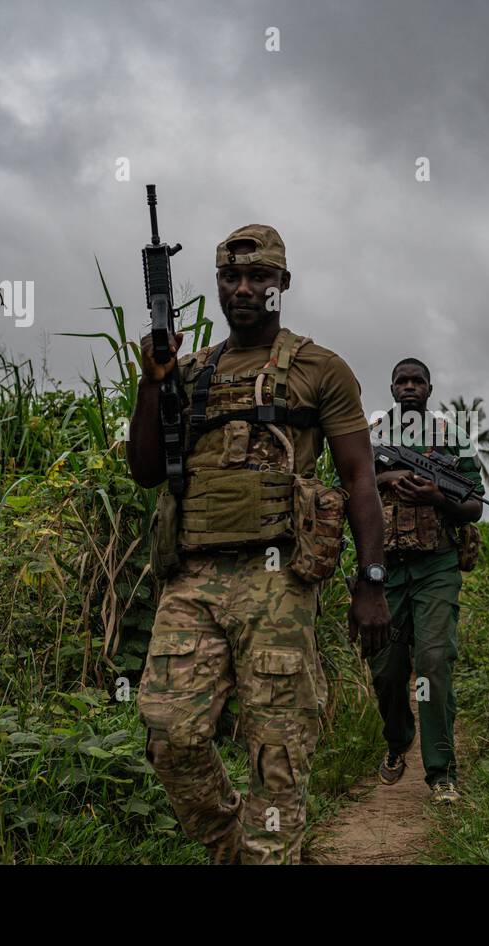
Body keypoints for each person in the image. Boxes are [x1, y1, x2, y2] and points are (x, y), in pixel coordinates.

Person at [127, 223, 390, 864]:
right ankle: (232, 845)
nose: (244, 289)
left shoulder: (319, 368)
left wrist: (372, 583)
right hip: (191, 579)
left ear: (282, 284)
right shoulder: (188, 371)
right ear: (217, 284)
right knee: (169, 733)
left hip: (278, 580)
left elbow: (360, 480)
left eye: (259, 278)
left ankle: (270, 852)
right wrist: (153, 382)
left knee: (278, 748)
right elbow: (143, 469)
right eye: (231, 278)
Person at [369, 358, 483, 806]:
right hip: (385, 567)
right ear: (392, 387)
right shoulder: (373, 431)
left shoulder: (451, 435)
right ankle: (399, 742)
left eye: (418, 381)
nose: (410, 387)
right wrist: (389, 477)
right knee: (386, 668)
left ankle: (441, 774)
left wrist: (437, 495)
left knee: (434, 663)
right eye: (403, 380)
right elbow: (350, 480)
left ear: (430, 388)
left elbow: (474, 503)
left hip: (437, 565)